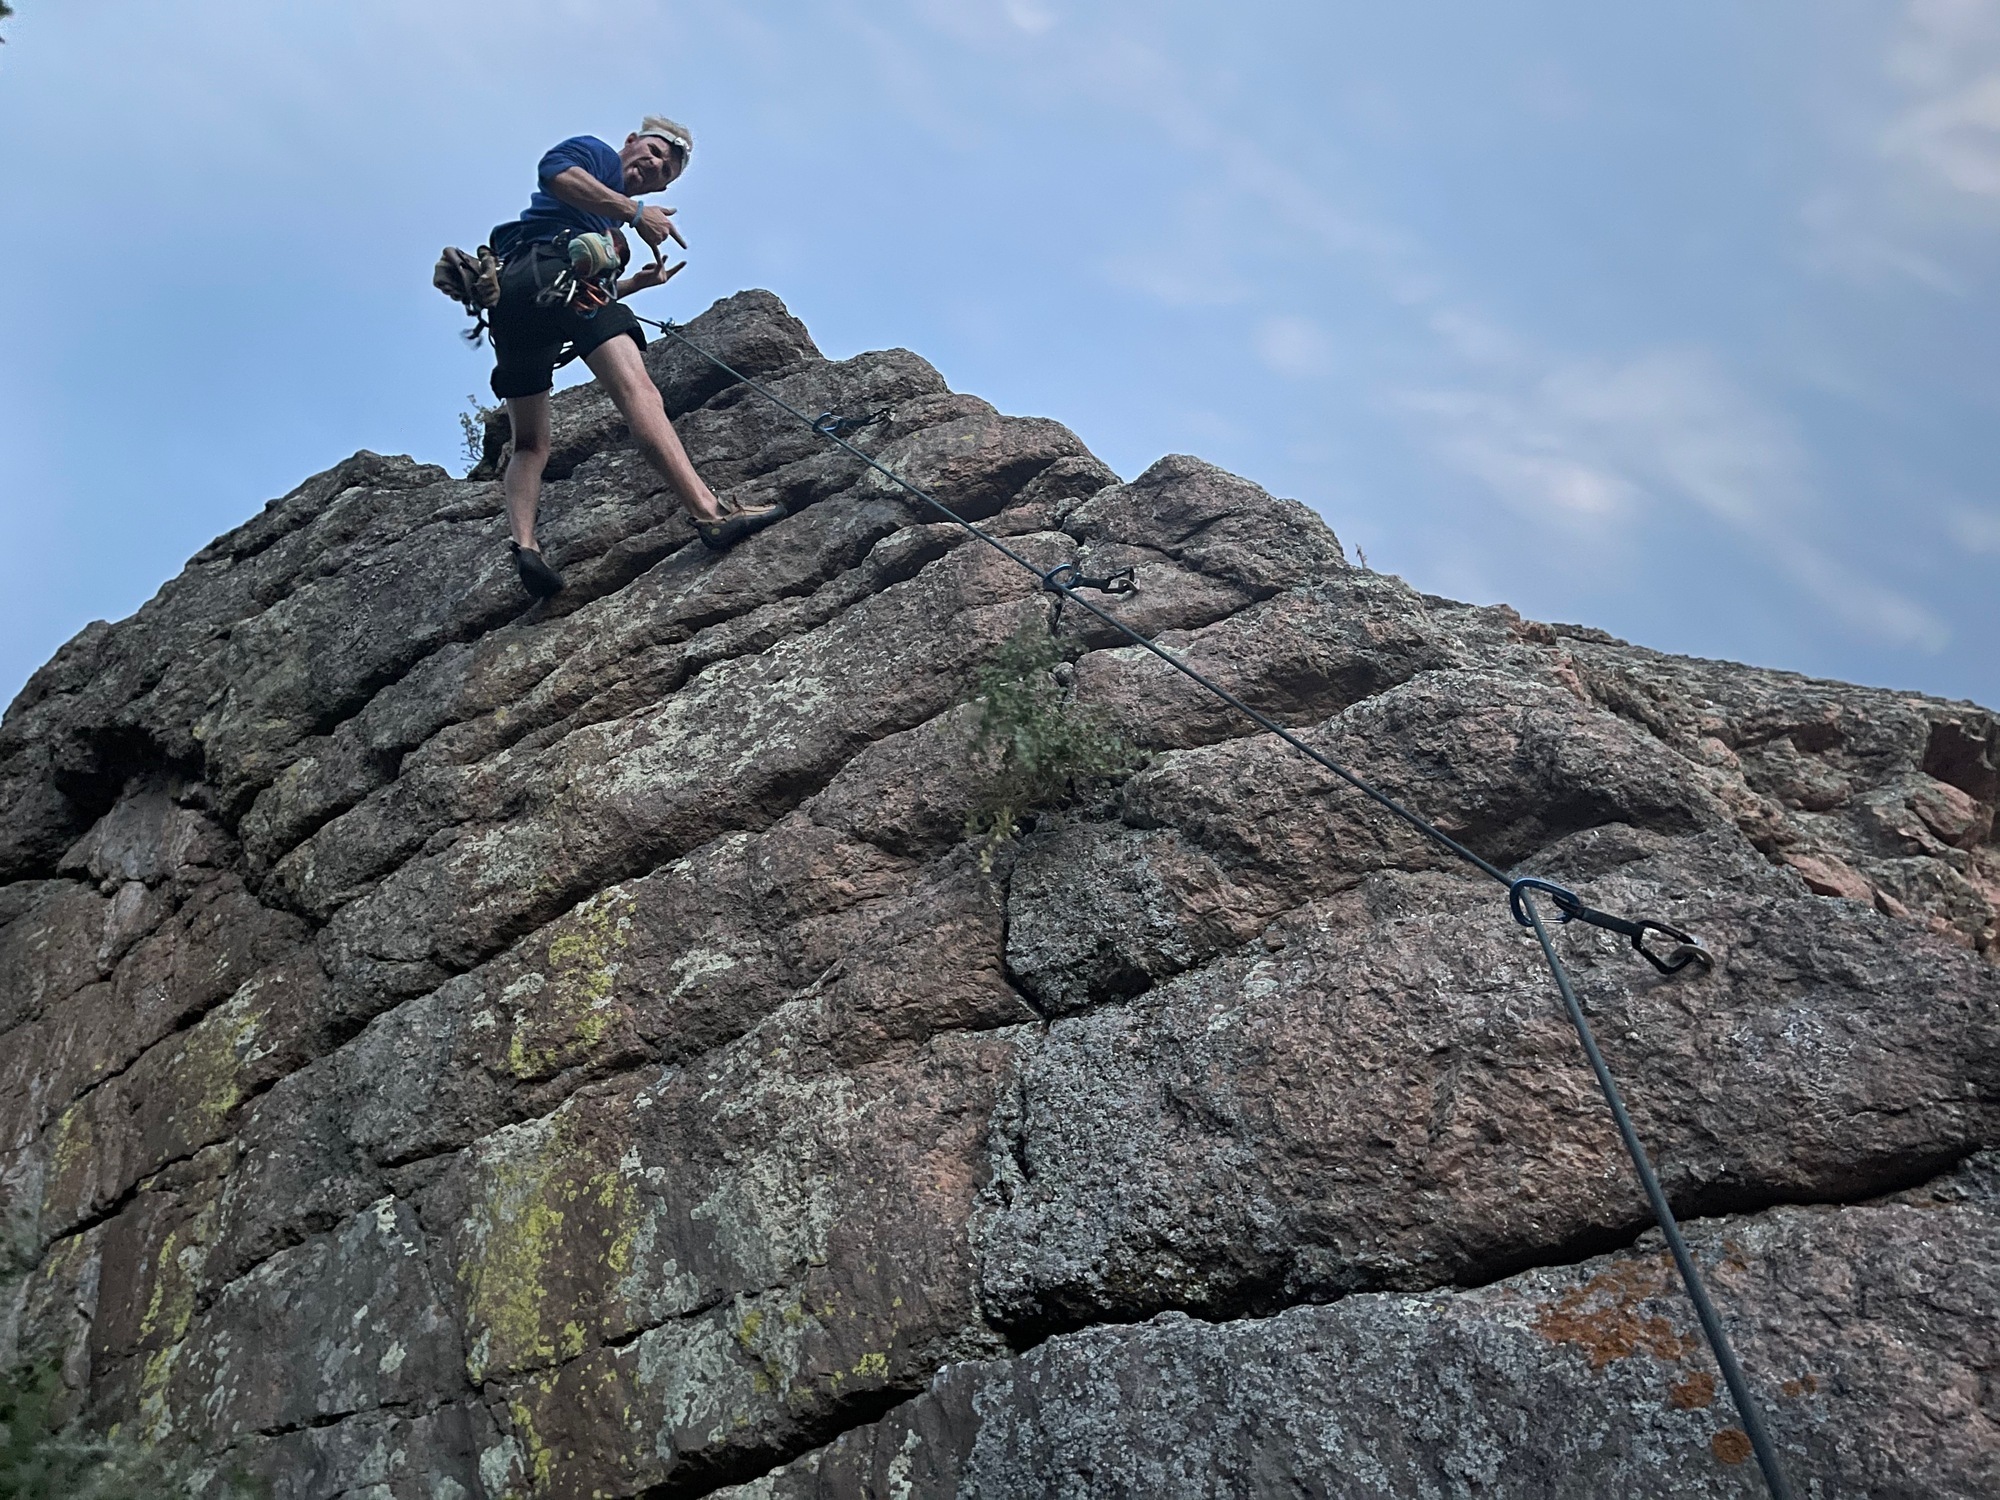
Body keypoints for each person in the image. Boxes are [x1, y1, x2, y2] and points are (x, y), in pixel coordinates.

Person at [485, 116, 785, 597]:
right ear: (631, 142)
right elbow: (555, 173)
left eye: (665, 169)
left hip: (516, 302)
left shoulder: (607, 226)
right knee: (639, 392)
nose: (655, 164)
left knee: (530, 444)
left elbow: (586, 272)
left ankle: (525, 547)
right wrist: (634, 211)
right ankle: (710, 514)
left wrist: (634, 284)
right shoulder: (599, 157)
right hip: (558, 275)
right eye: (654, 151)